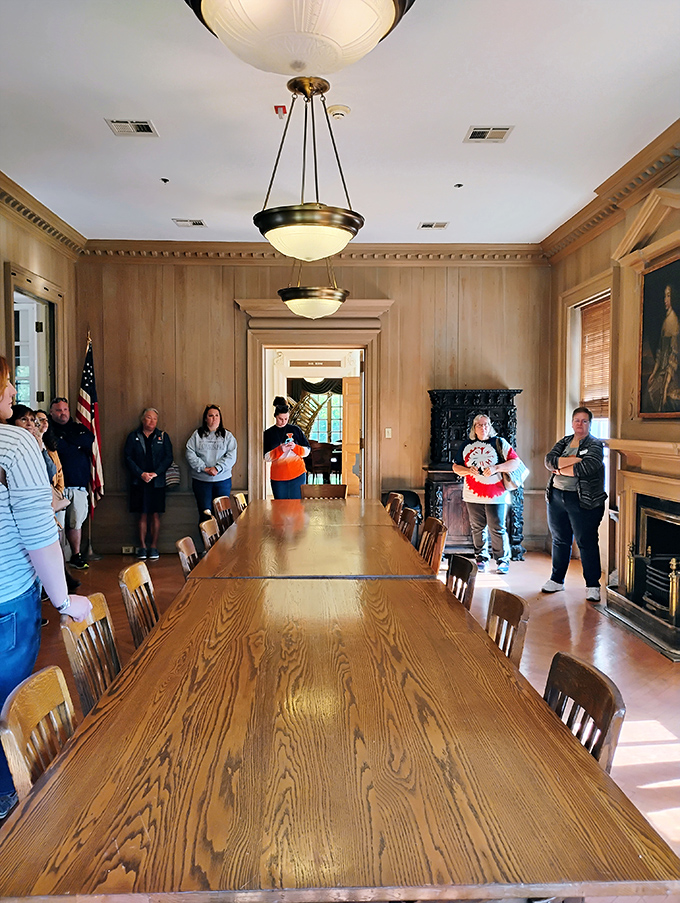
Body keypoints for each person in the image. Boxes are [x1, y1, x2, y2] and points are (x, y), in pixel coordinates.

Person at [0, 356, 91, 820]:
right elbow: (39, 534)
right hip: (7, 598)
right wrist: (62, 599)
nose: (14, 393)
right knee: (6, 704)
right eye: (7, 385)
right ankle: (5, 799)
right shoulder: (14, 444)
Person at [543, 406, 607, 602]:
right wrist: (572, 461)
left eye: (584, 421)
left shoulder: (595, 444)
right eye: (577, 420)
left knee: (586, 542)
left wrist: (560, 469)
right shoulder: (564, 442)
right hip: (556, 498)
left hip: (582, 500)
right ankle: (556, 580)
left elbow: (587, 467)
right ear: (572, 423)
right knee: (560, 539)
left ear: (590, 424)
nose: (580, 424)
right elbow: (549, 460)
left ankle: (593, 585)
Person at [452, 413, 520, 574]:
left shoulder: (499, 442)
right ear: (474, 428)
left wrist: (496, 468)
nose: (483, 428)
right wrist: (468, 470)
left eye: (486, 424)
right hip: (472, 494)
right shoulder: (466, 445)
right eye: (480, 425)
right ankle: (481, 559)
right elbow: (455, 467)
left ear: (490, 427)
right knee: (477, 528)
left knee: (497, 527)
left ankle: (502, 560)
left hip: (496, 495)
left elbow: (515, 462)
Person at [49, 397, 94, 570]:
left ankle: (76, 555)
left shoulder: (78, 428)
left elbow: (88, 440)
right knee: (58, 525)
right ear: (52, 412)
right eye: (59, 410)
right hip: (57, 487)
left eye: (65, 410)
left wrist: (67, 441)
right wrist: (73, 444)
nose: (63, 413)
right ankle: (59, 560)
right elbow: (57, 446)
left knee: (76, 523)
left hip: (78, 485)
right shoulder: (49, 429)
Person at [124, 408, 173, 560]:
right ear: (142, 419)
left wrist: (156, 473)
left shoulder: (162, 436)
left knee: (155, 514)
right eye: (148, 418)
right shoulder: (133, 436)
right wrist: (141, 474)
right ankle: (142, 547)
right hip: (139, 481)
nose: (151, 421)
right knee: (142, 514)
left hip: (157, 481)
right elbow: (127, 457)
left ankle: (153, 546)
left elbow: (168, 458)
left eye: (154, 419)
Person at [185, 404, 237, 522]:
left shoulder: (227, 436)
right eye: (211, 416)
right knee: (205, 515)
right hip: (202, 481)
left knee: (223, 515)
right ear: (205, 418)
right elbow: (189, 453)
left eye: (217, 416)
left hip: (223, 481)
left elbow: (231, 456)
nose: (214, 418)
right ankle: (207, 541)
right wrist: (204, 468)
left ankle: (223, 541)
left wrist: (217, 468)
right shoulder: (197, 435)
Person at [263, 396, 311, 499]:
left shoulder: (296, 430)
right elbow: (266, 457)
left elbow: (307, 450)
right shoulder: (268, 433)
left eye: (286, 419)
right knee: (280, 508)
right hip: (278, 477)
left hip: (298, 474)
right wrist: (280, 450)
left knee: (297, 507)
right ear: (275, 416)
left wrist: (295, 447)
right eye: (280, 419)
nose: (283, 421)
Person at [646, 284, 680, 413]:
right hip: (663, 369)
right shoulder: (666, 320)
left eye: (668, 296)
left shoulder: (674, 321)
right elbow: (660, 352)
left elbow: (674, 357)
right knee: (651, 388)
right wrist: (654, 373)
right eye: (665, 296)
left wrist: (666, 386)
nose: (665, 300)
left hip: (672, 371)